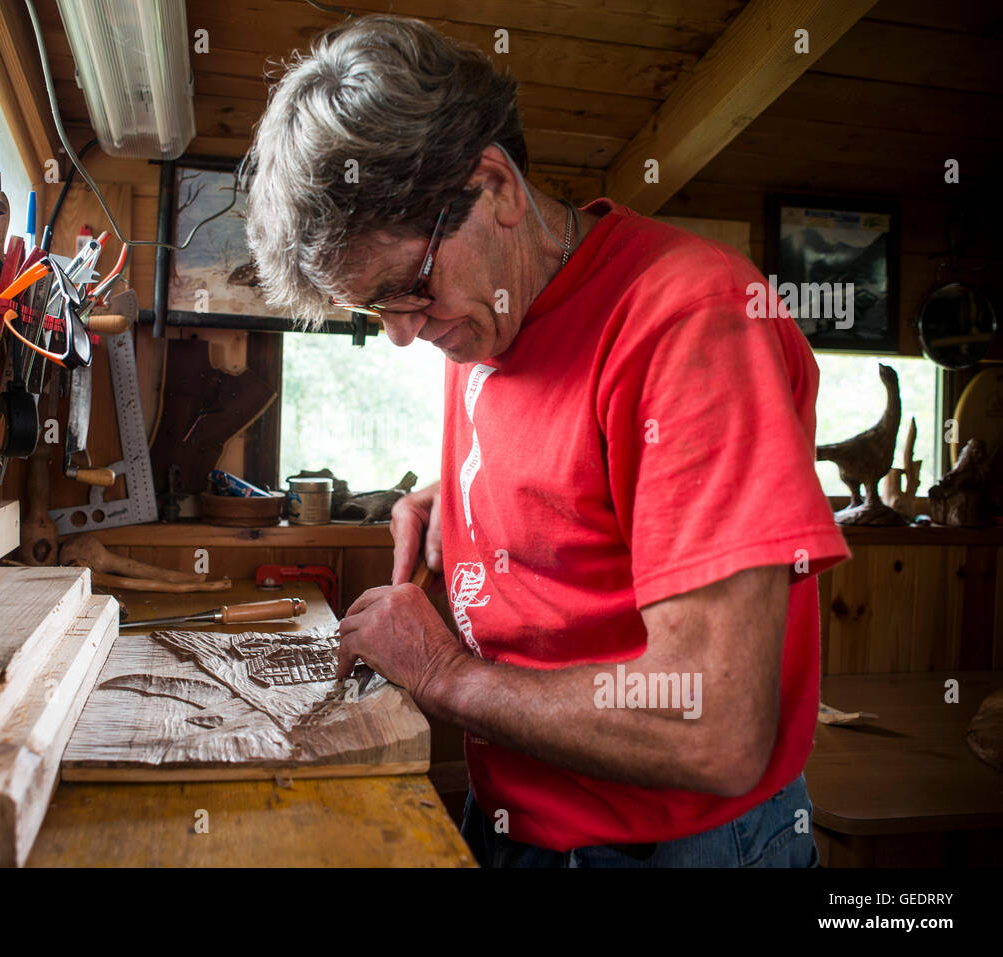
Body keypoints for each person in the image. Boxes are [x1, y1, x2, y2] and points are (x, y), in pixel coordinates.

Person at [243, 14, 850, 867]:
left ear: (493, 185)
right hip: (512, 820)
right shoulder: (486, 309)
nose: (406, 335)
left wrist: (445, 673)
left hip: (670, 849)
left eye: (408, 291)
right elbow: (575, 469)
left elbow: (714, 724)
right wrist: (457, 498)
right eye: (378, 310)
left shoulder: (692, 325)